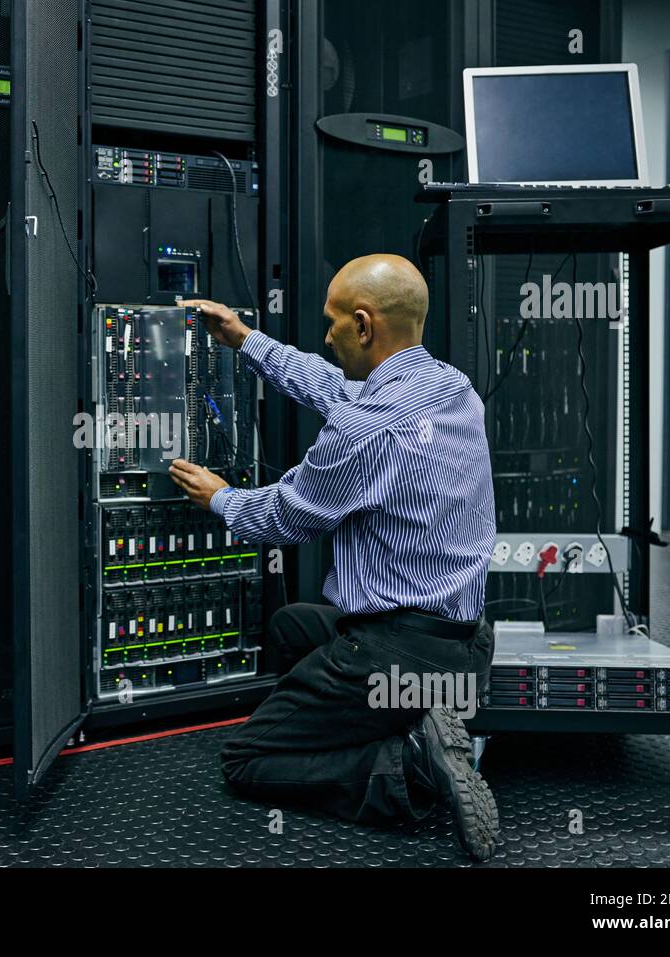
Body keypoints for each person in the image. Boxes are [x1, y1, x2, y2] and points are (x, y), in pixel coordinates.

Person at [168, 253, 500, 860]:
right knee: (293, 624)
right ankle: (426, 718)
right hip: (467, 648)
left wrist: (220, 498)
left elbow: (284, 517)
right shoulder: (454, 389)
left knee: (247, 760)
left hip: (398, 655)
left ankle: (409, 769)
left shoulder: (362, 431)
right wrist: (247, 340)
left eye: (333, 323)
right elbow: (337, 389)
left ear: (365, 325)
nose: (325, 336)